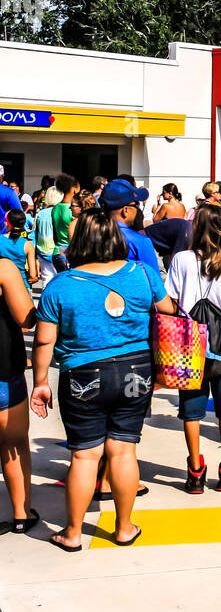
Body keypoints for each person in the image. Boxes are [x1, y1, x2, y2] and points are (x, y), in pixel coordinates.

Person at [32, 207, 174, 549]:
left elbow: (45, 340)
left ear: (79, 241)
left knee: (84, 456)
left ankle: (73, 533)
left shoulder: (61, 285)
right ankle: (124, 528)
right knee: (124, 451)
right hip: (137, 369)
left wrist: (40, 382)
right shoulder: (142, 273)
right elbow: (168, 309)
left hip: (83, 373)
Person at [165, 204, 221, 493]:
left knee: (191, 412)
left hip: (188, 349)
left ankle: (195, 471)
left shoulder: (181, 259)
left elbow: (171, 302)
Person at [0, 258, 38, 533]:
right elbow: (27, 318)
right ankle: (21, 514)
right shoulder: (3, 268)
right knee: (14, 444)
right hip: (3, 371)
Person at [99, 179, 161, 273]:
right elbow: (153, 278)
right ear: (125, 210)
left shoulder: (89, 235)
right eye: (136, 205)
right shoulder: (141, 242)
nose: (137, 209)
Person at [0, 209, 37, 288]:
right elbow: (32, 275)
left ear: (7, 223)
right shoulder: (28, 245)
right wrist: (34, 278)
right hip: (22, 285)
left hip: (2, 285)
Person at [51, 172, 79, 272]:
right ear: (74, 189)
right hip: (69, 254)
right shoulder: (73, 210)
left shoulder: (55, 208)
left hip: (56, 252)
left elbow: (55, 235)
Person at [34, 186, 62, 284]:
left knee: (46, 280)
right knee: (60, 280)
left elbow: (36, 233)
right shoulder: (61, 212)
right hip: (58, 251)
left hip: (42, 251)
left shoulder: (40, 213)